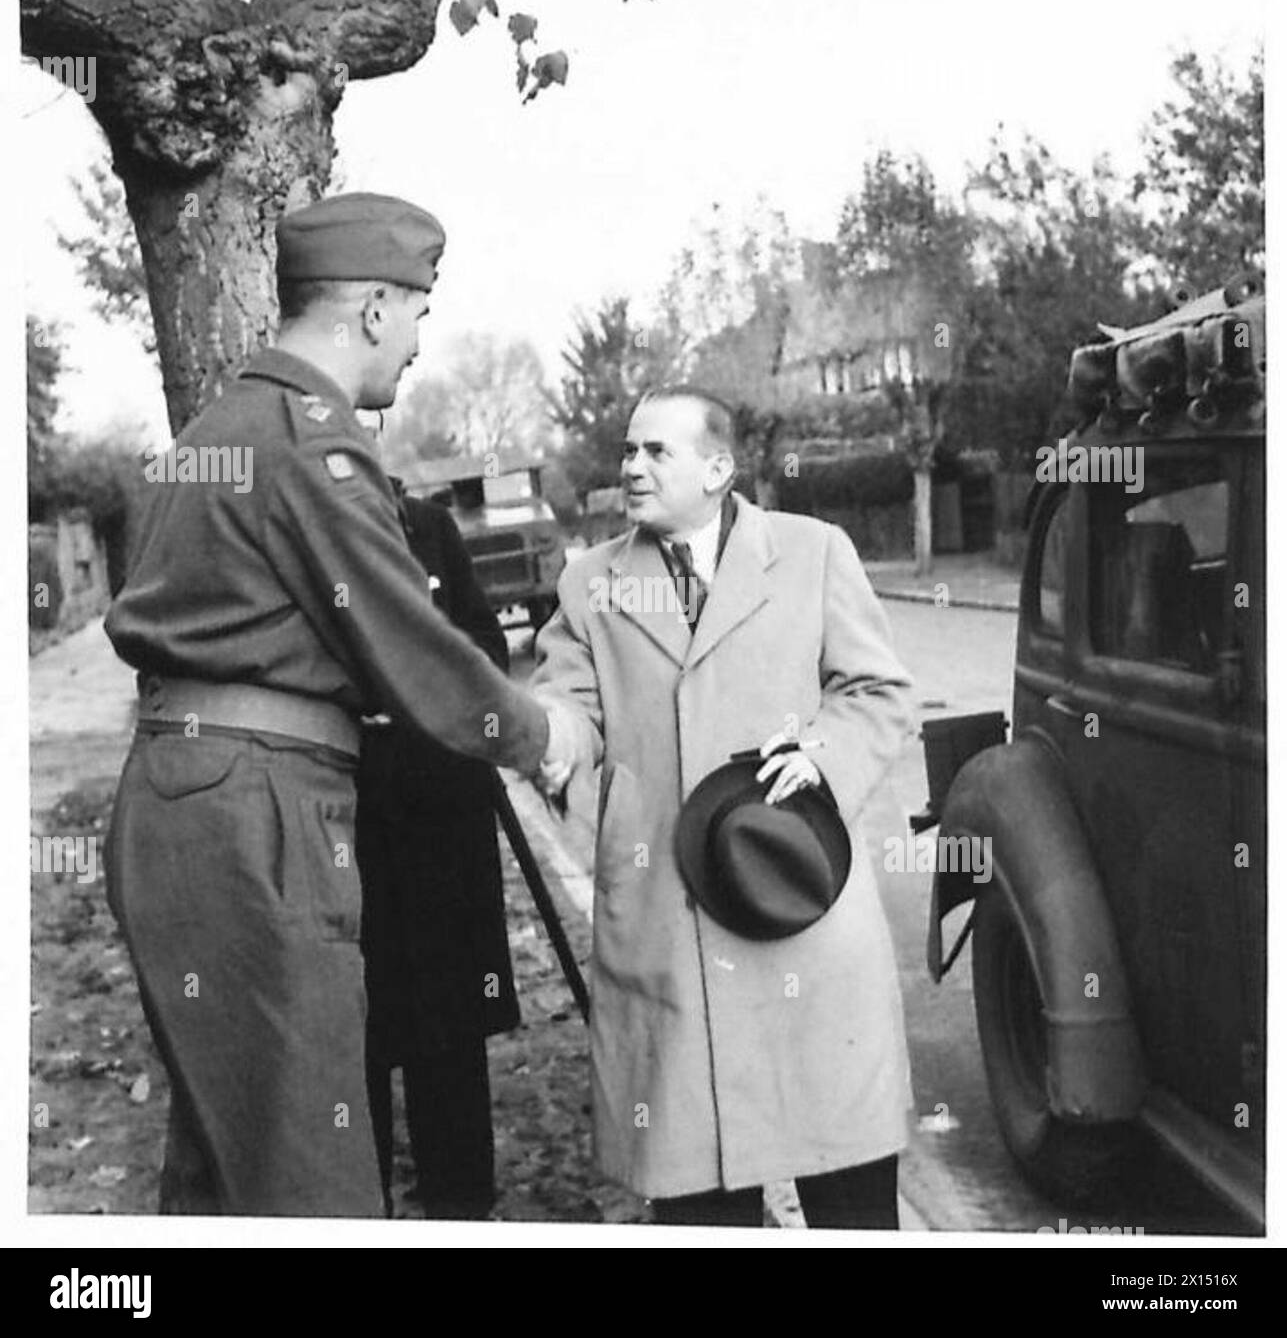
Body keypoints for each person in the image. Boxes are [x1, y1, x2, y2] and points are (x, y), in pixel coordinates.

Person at [104, 192, 573, 1217]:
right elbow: (412, 649)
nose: (413, 345)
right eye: (416, 314)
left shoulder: (226, 423)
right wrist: (544, 735)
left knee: (228, 1171)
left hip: (197, 803)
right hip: (253, 815)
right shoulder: (311, 438)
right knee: (313, 1182)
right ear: (370, 309)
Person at [532, 386, 915, 1228]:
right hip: (669, 920)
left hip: (797, 906)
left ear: (717, 467)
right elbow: (568, 705)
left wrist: (821, 756)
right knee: (701, 1208)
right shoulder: (588, 584)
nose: (631, 467)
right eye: (627, 451)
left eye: (655, 452)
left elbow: (878, 692)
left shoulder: (813, 553)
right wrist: (551, 738)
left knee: (851, 1198)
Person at [357, 477, 518, 1220]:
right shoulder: (302, 533)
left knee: (450, 1038)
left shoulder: (429, 528)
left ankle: (461, 1211)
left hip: (443, 820)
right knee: (355, 1036)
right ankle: (363, 1211)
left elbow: (487, 645)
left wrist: (431, 674)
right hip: (345, 820)